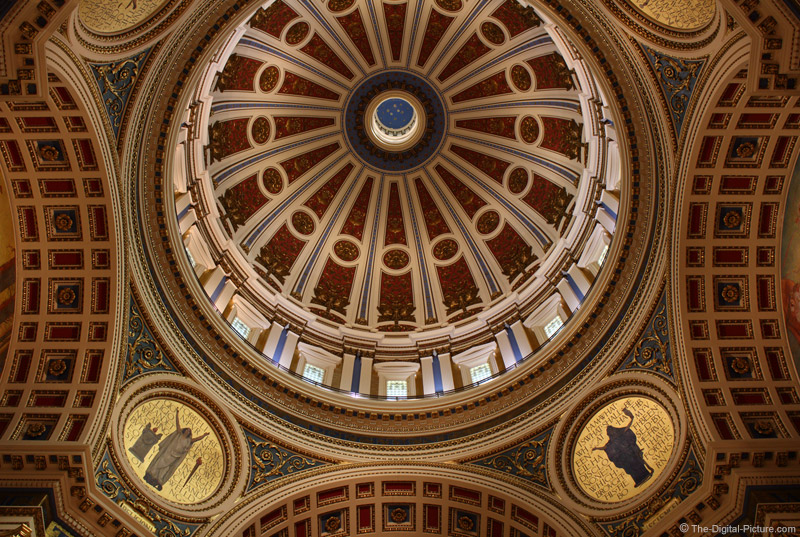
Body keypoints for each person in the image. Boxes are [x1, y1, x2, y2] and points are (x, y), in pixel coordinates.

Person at [144, 410, 209, 490]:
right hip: (168, 452)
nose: (188, 431)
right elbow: (177, 424)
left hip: (175, 456)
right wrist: (177, 414)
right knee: (160, 462)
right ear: (184, 430)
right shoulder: (179, 433)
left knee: (166, 468)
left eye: (189, 431)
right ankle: (151, 474)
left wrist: (204, 435)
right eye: (187, 430)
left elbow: (197, 439)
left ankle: (158, 480)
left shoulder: (189, 440)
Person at [592, 408, 654, 487]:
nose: (610, 433)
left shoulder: (620, 433)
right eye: (609, 432)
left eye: (611, 431)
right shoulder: (611, 442)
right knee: (631, 468)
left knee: (637, 464)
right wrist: (596, 448)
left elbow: (627, 427)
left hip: (631, 453)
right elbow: (605, 447)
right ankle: (638, 480)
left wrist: (631, 418)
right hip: (625, 458)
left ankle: (645, 474)